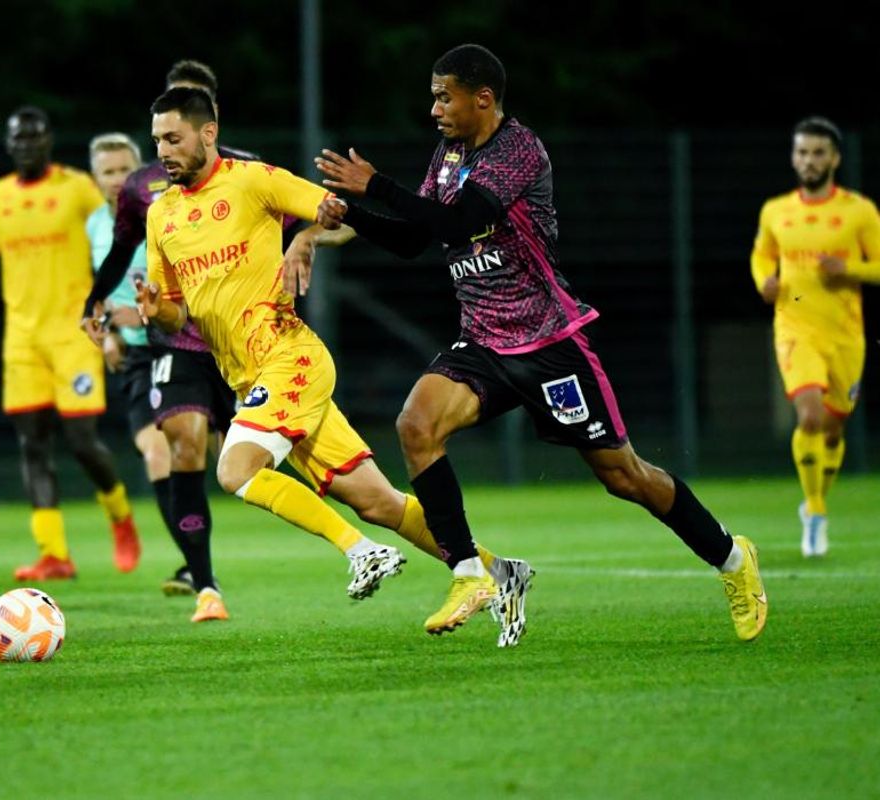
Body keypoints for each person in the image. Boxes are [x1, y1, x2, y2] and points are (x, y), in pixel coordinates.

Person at [314, 43, 767, 642]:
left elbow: (457, 223)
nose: (434, 110)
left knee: (625, 478)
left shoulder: (519, 150)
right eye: (432, 97)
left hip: (550, 342)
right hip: (482, 344)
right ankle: (471, 572)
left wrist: (376, 186)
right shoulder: (449, 153)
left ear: (483, 98)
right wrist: (352, 213)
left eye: (443, 96)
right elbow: (418, 240)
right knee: (416, 426)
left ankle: (733, 559)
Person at [130, 85, 532, 642]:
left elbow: (333, 212)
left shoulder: (253, 180)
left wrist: (307, 239)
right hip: (251, 376)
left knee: (234, 469)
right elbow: (176, 315)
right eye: (156, 141)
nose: (164, 151)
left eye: (173, 138)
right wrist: (157, 311)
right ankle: (497, 571)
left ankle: (361, 553)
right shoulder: (162, 216)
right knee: (378, 501)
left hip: (289, 358)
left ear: (208, 133)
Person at [0, 106, 140, 581]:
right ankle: (54, 554)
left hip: (74, 333)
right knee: (32, 443)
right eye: (19, 139)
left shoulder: (77, 189)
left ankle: (119, 515)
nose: (28, 145)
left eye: (36, 138)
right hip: (23, 341)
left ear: (49, 142)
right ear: (9, 145)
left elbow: (117, 238)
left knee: (81, 440)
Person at [82, 60, 260, 619]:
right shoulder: (143, 189)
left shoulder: (251, 172)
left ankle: (368, 539)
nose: (169, 141)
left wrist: (308, 241)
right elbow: (118, 252)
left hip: (242, 344)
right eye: (163, 131)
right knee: (178, 444)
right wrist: (96, 305)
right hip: (173, 340)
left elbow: (305, 220)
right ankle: (205, 584)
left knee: (272, 465)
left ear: (210, 121)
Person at [750, 116, 880, 558]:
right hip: (795, 327)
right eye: (802, 152)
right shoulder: (776, 211)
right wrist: (765, 280)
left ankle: (816, 497)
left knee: (832, 428)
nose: (809, 160)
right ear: (793, 157)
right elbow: (762, 255)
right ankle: (816, 512)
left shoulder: (859, 211)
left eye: (818, 152)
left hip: (846, 336)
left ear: (835, 158)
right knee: (809, 416)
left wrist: (852, 270)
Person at [85, 130, 179, 579]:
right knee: (155, 453)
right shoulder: (94, 226)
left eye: (125, 169)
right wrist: (106, 334)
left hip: (182, 342)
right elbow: (101, 295)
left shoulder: (164, 213)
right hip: (138, 356)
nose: (118, 178)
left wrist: (140, 317)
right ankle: (195, 566)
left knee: (225, 454)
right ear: (94, 178)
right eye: (108, 171)